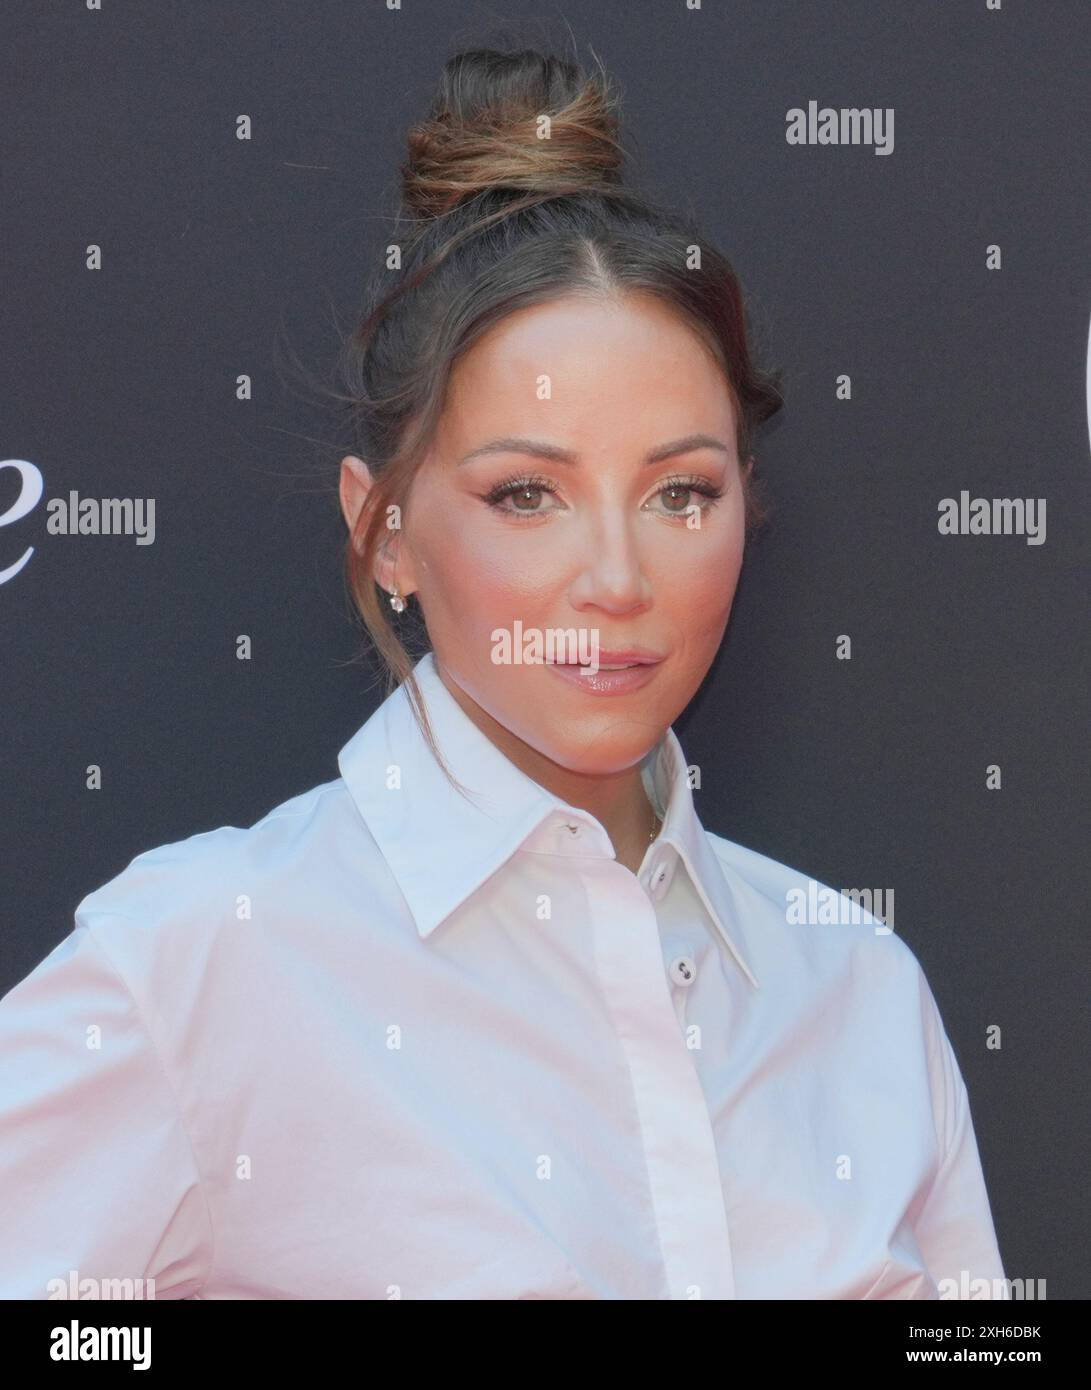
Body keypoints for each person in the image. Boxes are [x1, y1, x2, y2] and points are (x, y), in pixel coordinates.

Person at [0, 45, 1006, 1301]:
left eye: (679, 493)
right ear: (388, 533)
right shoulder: (201, 962)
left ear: (747, 504)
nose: (616, 577)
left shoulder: (855, 988)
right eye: (525, 494)